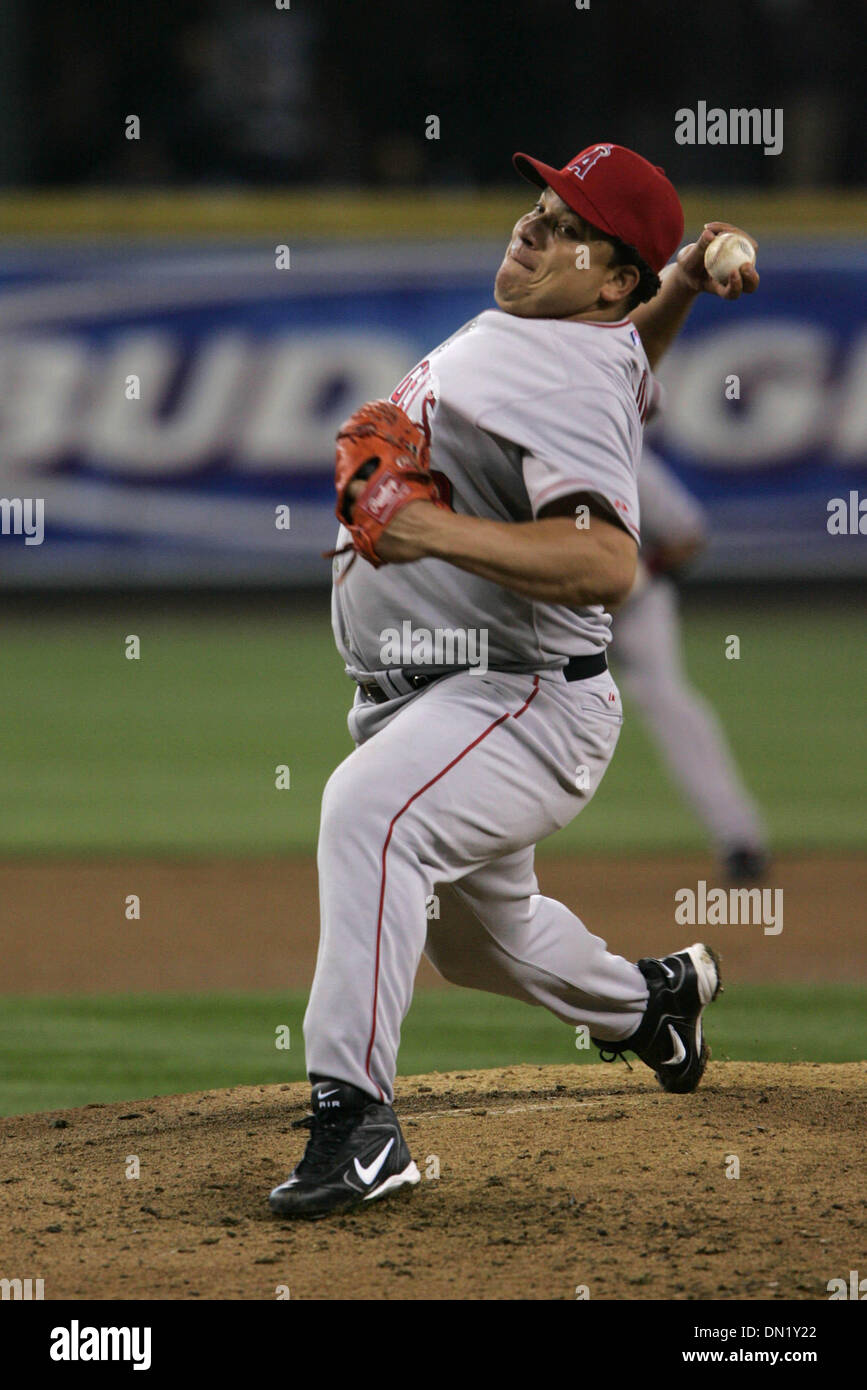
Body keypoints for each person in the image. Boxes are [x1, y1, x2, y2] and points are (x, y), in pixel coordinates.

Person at [269, 142, 759, 1219]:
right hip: (448, 697)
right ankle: (651, 1003)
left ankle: (357, 1126)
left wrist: (428, 528)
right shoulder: (575, 341)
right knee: (484, 944)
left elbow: (605, 562)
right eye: (536, 207)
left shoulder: (560, 366)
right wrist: (681, 284)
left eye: (565, 225)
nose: (531, 228)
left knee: (368, 812)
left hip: (520, 696)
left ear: (609, 277)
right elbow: (622, 367)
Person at [613, 449, 770, 883]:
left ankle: (739, 837)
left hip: (635, 607)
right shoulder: (525, 452)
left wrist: (637, 574)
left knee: (667, 701)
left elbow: (689, 536)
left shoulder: (632, 463)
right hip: (552, 604)